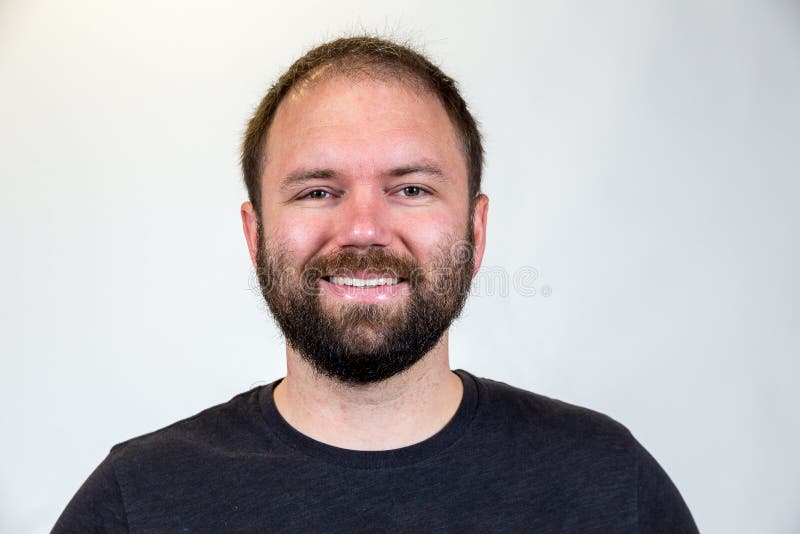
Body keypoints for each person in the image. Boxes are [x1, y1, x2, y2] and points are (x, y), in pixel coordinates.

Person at [54, 36, 699, 533]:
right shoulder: (134, 503)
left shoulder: (608, 484)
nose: (363, 230)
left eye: (411, 189)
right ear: (255, 236)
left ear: (476, 229)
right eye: (317, 191)